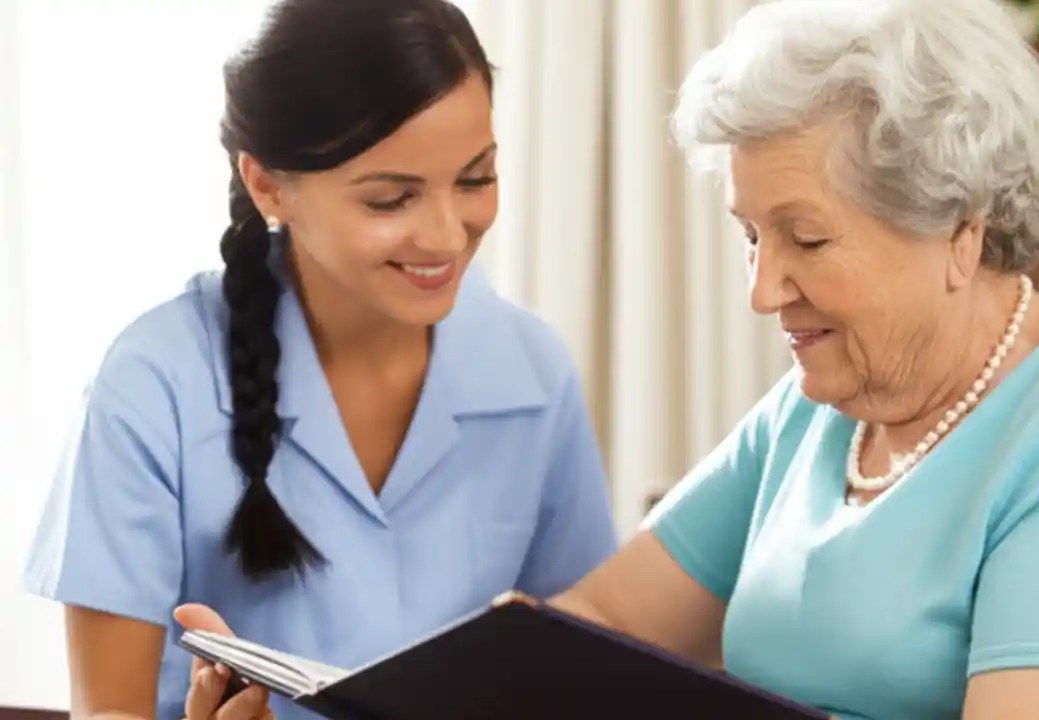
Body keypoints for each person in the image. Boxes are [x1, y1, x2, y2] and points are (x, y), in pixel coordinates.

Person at [179, 0, 1039, 718]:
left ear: (959, 227)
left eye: (807, 239)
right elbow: (593, 632)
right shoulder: (822, 410)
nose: (760, 290)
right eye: (750, 236)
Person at [21, 1, 617, 718]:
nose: (446, 235)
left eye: (474, 179)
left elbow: (582, 667)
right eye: (391, 198)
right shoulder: (151, 387)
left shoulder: (534, 374)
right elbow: (107, 710)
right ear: (269, 184)